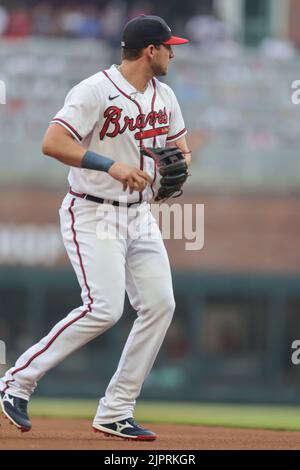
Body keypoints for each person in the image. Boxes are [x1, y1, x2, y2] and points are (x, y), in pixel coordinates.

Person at [0, 15, 190, 441]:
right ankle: (16, 381)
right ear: (150, 51)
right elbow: (53, 142)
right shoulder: (95, 90)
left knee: (160, 304)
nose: (174, 53)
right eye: (169, 46)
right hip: (93, 211)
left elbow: (181, 149)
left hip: (139, 215)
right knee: (104, 308)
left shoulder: (166, 95)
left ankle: (116, 409)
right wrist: (112, 164)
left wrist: (176, 169)